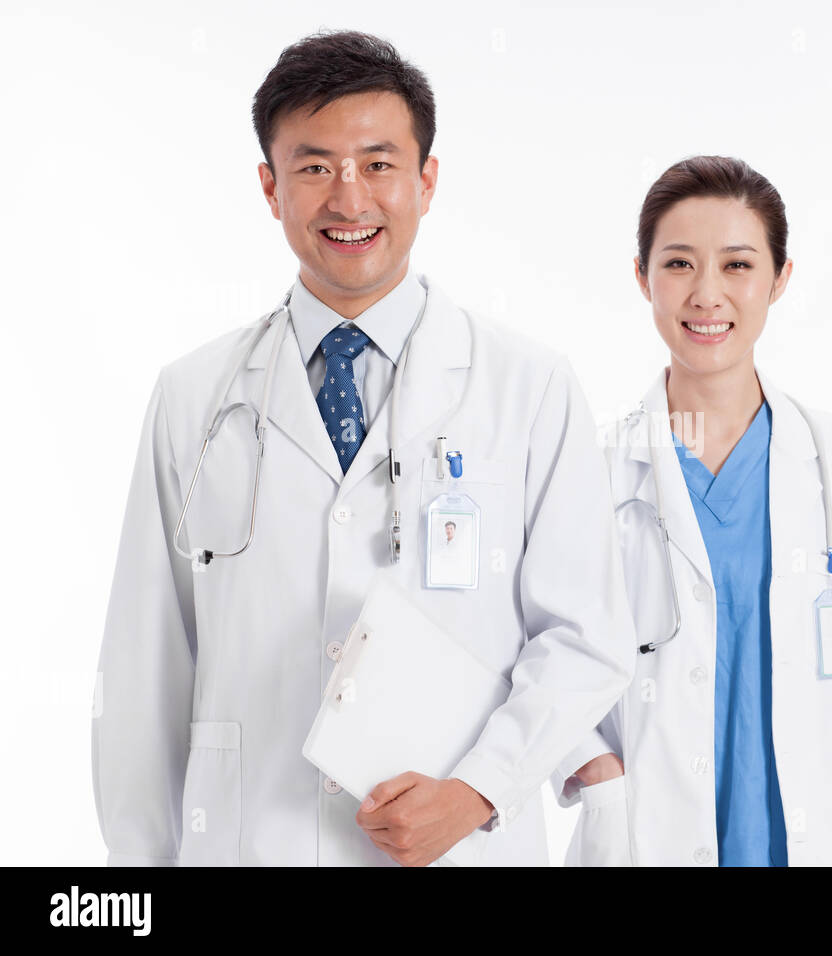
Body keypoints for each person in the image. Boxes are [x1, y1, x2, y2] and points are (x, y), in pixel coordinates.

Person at [91, 29, 635, 867]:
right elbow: (144, 672)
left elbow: (585, 637)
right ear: (270, 188)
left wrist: (479, 789)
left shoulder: (529, 387)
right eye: (314, 168)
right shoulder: (195, 396)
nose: (349, 200)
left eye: (378, 164)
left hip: (458, 849)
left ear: (427, 181)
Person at [553, 156, 832, 867]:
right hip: (642, 838)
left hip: (808, 837)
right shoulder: (594, 470)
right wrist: (596, 775)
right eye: (678, 265)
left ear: (779, 279)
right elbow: (540, 645)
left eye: (736, 266)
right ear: (642, 278)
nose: (706, 295)